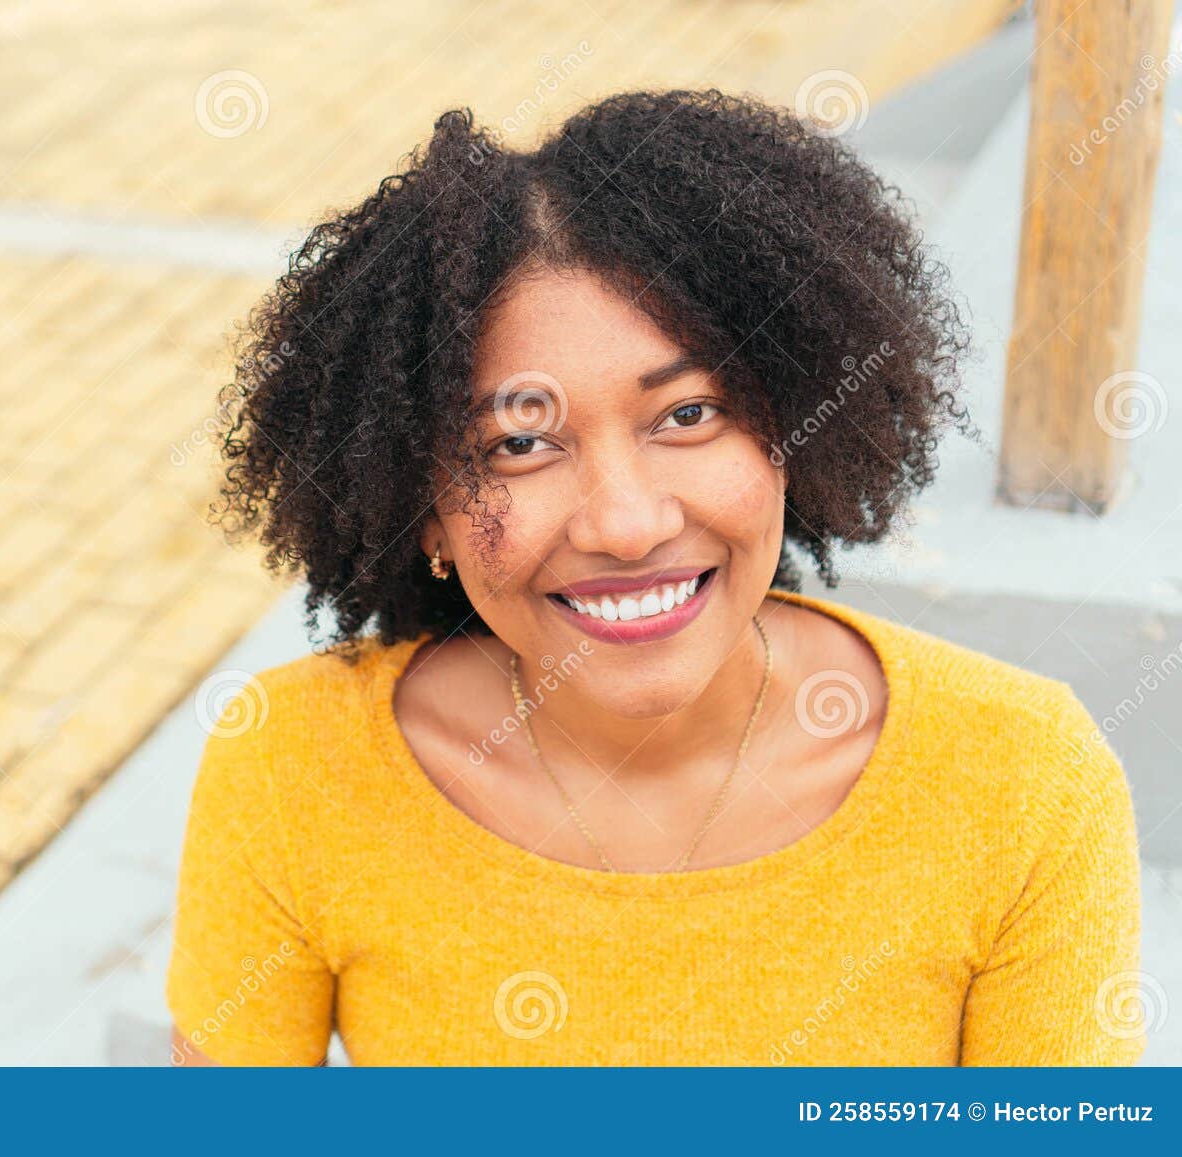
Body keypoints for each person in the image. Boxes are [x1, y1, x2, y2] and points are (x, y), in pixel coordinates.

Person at [165, 90, 1144, 1066]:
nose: (627, 524)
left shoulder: (1022, 778)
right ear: (423, 507)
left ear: (795, 422)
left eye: (688, 414)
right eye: (517, 441)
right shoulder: (295, 769)